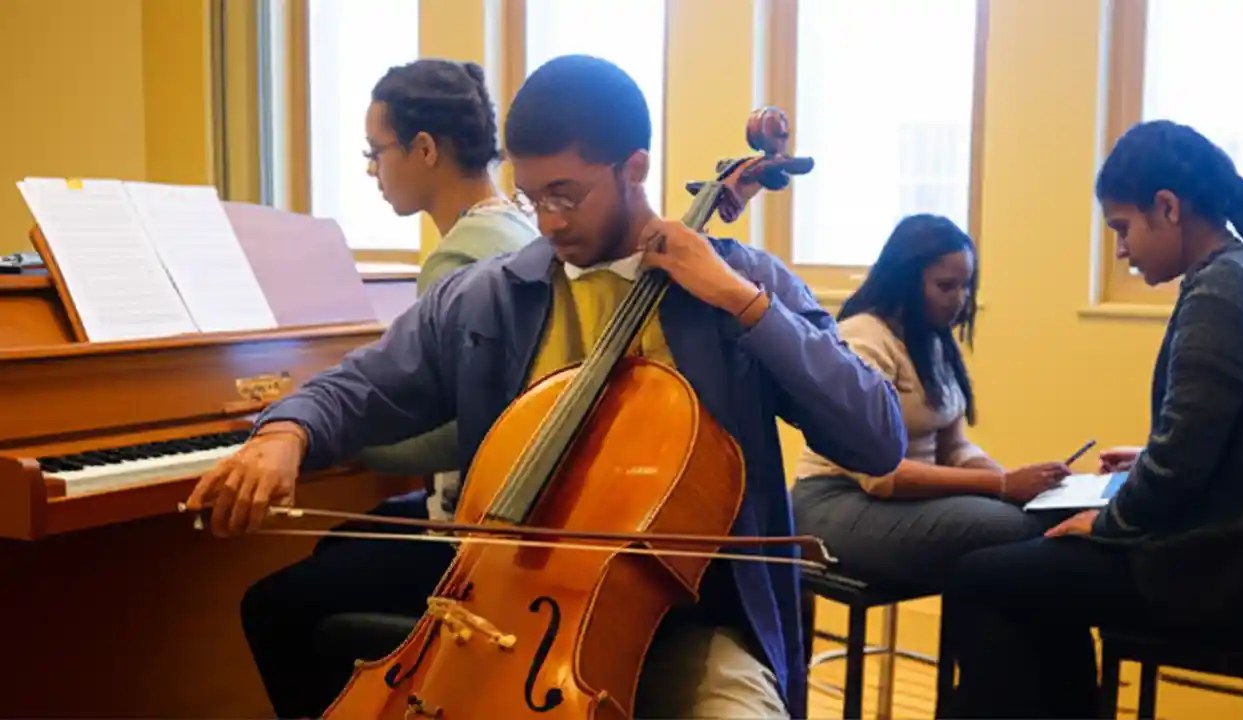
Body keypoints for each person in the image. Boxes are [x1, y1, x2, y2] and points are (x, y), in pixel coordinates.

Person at [187, 54, 908, 719]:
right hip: (515, 622)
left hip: (691, 620)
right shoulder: (488, 296)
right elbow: (360, 387)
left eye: (567, 195)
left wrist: (745, 305)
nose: (550, 222)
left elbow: (875, 438)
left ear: (634, 168)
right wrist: (286, 433)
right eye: (534, 199)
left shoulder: (739, 285)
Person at [941, 119, 1243, 718]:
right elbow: (1228, 440)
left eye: (1122, 228)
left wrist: (1107, 522)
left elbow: (1178, 472)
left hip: (1220, 569)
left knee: (982, 577)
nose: (1121, 249)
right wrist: (1146, 461)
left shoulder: (1220, 292)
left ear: (1168, 207)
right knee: (1032, 567)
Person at [235, 58, 536, 720]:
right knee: (336, 544)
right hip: (486, 522)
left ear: (425, 149)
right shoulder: (516, 225)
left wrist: (341, 444)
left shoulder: (462, 259)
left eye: (377, 152)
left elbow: (458, 425)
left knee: (272, 604)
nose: (372, 170)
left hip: (470, 534)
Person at [791, 213, 1070, 591]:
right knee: (1018, 527)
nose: (960, 300)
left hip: (905, 502)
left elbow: (953, 446)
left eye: (966, 286)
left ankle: (972, 648)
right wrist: (1000, 484)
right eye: (946, 286)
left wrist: (1020, 483)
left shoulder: (931, 340)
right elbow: (882, 476)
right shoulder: (861, 339)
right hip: (835, 501)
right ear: (905, 282)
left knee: (1026, 522)